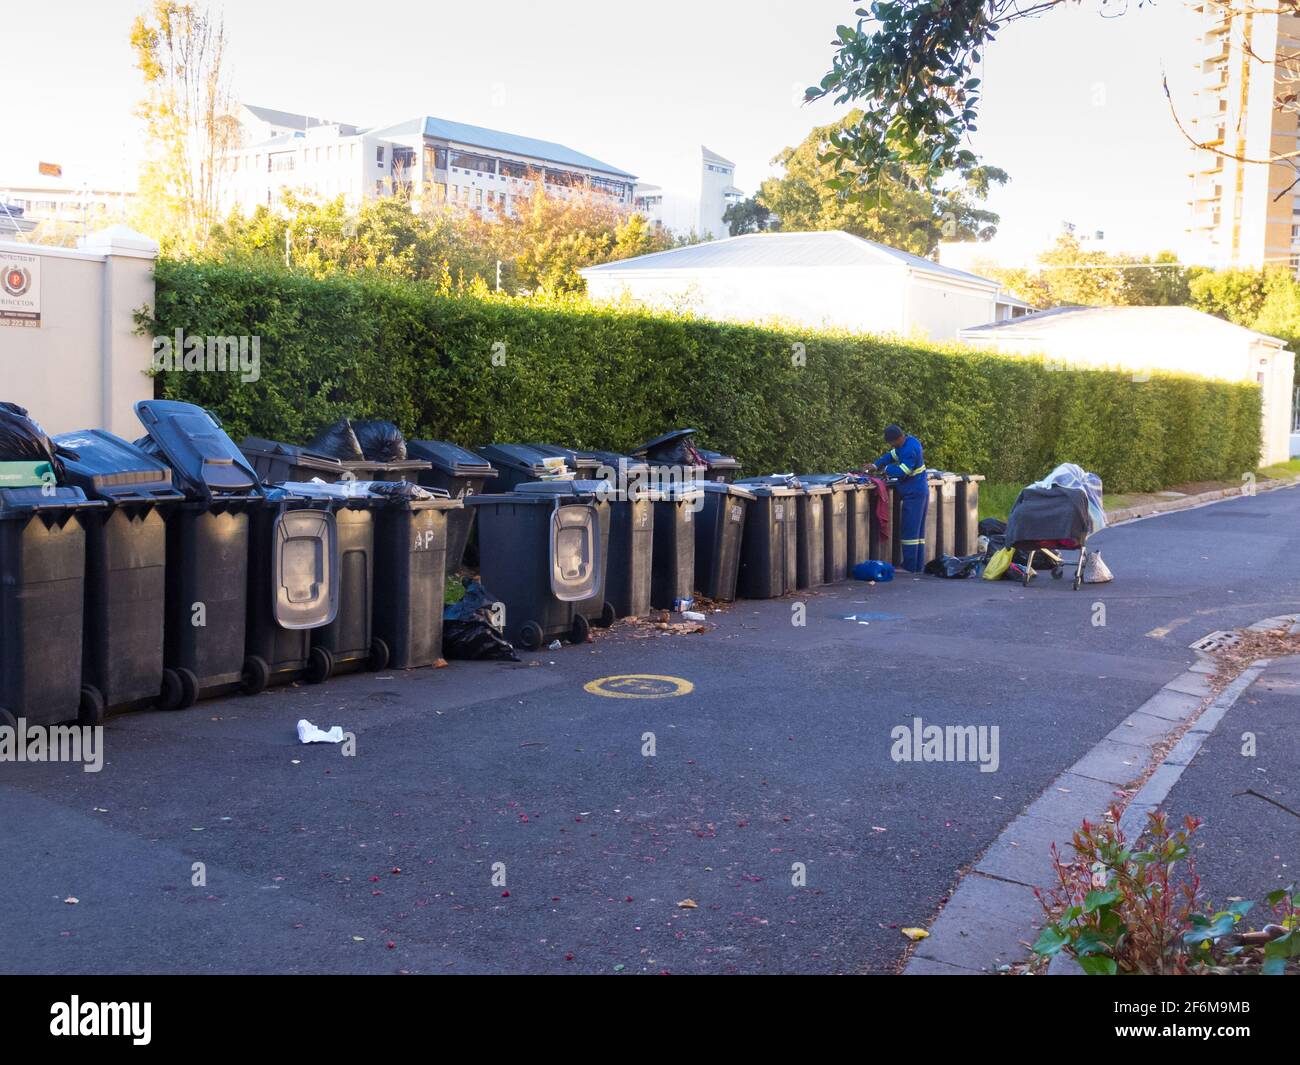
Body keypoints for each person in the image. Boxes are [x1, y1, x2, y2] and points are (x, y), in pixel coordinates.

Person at [869, 424, 929, 572]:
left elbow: (903, 471)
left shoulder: (909, 450)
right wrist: (876, 465)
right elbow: (892, 455)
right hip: (917, 491)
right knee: (917, 532)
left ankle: (909, 567)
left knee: (910, 531)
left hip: (914, 493)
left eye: (891, 442)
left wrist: (887, 469)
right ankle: (917, 565)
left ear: (898, 438)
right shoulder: (908, 442)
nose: (891, 445)